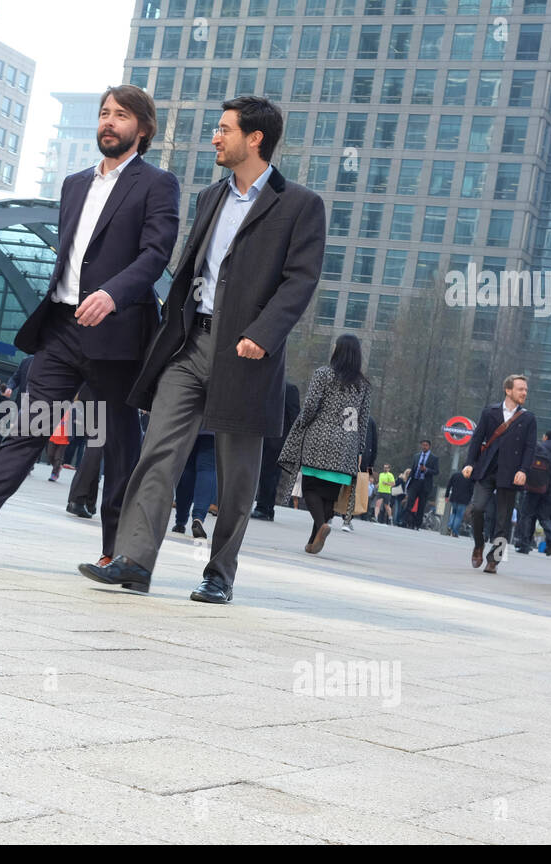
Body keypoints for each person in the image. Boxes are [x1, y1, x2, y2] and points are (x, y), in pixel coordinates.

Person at [0, 84, 180, 563]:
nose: (108, 121)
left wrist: (112, 294)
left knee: (116, 441)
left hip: (118, 334)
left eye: (121, 115)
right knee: (26, 425)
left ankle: (120, 553)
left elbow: (155, 254)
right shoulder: (74, 183)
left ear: (141, 129)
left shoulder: (156, 184)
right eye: (104, 113)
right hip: (62, 327)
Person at [81, 95, 326, 601]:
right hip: (191, 344)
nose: (215, 137)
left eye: (224, 129)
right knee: (158, 450)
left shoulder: (300, 205)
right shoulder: (209, 197)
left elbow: (300, 281)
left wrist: (263, 333)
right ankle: (133, 560)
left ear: (254, 139)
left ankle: (219, 572)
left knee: (237, 471)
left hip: (247, 352)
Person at [276, 335, 373, 557]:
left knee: (310, 487)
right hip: (347, 442)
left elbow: (310, 405)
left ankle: (320, 526)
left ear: (337, 351)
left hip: (319, 436)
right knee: (329, 494)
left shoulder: (324, 374)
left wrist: (302, 424)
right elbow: (363, 419)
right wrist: (359, 449)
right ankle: (313, 541)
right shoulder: (363, 385)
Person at [461, 374, 538, 574]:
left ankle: (494, 560)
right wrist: (470, 463)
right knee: (477, 509)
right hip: (486, 469)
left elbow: (530, 448)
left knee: (503, 520)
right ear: (508, 390)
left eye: (526, 390)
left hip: (511, 474)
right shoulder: (489, 412)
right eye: (521, 389)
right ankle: (478, 544)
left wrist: (523, 470)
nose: (524, 393)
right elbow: (477, 440)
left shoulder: (528, 418)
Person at [251, 382, 300, 520]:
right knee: (267, 475)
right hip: (261, 437)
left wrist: (292, 442)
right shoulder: (262, 386)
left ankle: (263, 507)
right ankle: (267, 508)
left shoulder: (289, 389)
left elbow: (295, 416)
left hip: (277, 440)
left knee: (269, 475)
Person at [514, 429, 551, 555]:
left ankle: (524, 543)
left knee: (527, 514)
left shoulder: (540, 447)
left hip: (536, 486)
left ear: (546, 437)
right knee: (544, 516)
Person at [172, 431, 216, 538]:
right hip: (215, 422)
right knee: (208, 468)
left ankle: (180, 522)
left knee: (187, 468)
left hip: (191, 422)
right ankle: (198, 519)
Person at [341, 416, 377, 532]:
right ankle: (347, 519)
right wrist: (370, 469)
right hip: (360, 461)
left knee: (342, 486)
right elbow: (373, 445)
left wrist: (370, 470)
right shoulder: (369, 420)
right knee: (353, 490)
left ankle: (333, 515)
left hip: (349, 458)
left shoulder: (351, 416)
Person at [403, 439, 440, 530]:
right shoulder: (417, 456)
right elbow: (413, 469)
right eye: (423, 445)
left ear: (429, 446)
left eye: (426, 445)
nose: (424, 447)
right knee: (410, 502)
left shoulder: (434, 458)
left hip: (425, 484)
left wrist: (426, 470)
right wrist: (408, 483)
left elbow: (436, 471)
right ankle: (407, 522)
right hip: (415, 481)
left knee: (421, 505)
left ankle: (417, 524)